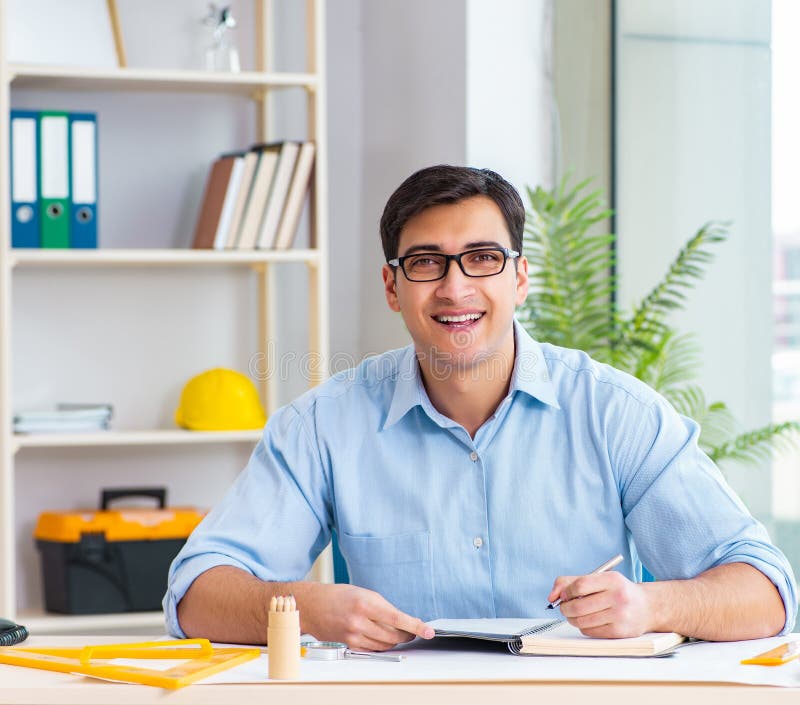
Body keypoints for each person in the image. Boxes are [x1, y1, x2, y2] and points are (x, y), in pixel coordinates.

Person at [165, 165, 797, 650]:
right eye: (425, 262)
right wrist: (303, 609)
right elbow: (195, 596)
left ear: (519, 277)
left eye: (483, 259)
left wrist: (655, 607)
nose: (455, 286)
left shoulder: (615, 413)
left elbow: (767, 593)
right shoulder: (325, 424)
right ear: (393, 286)